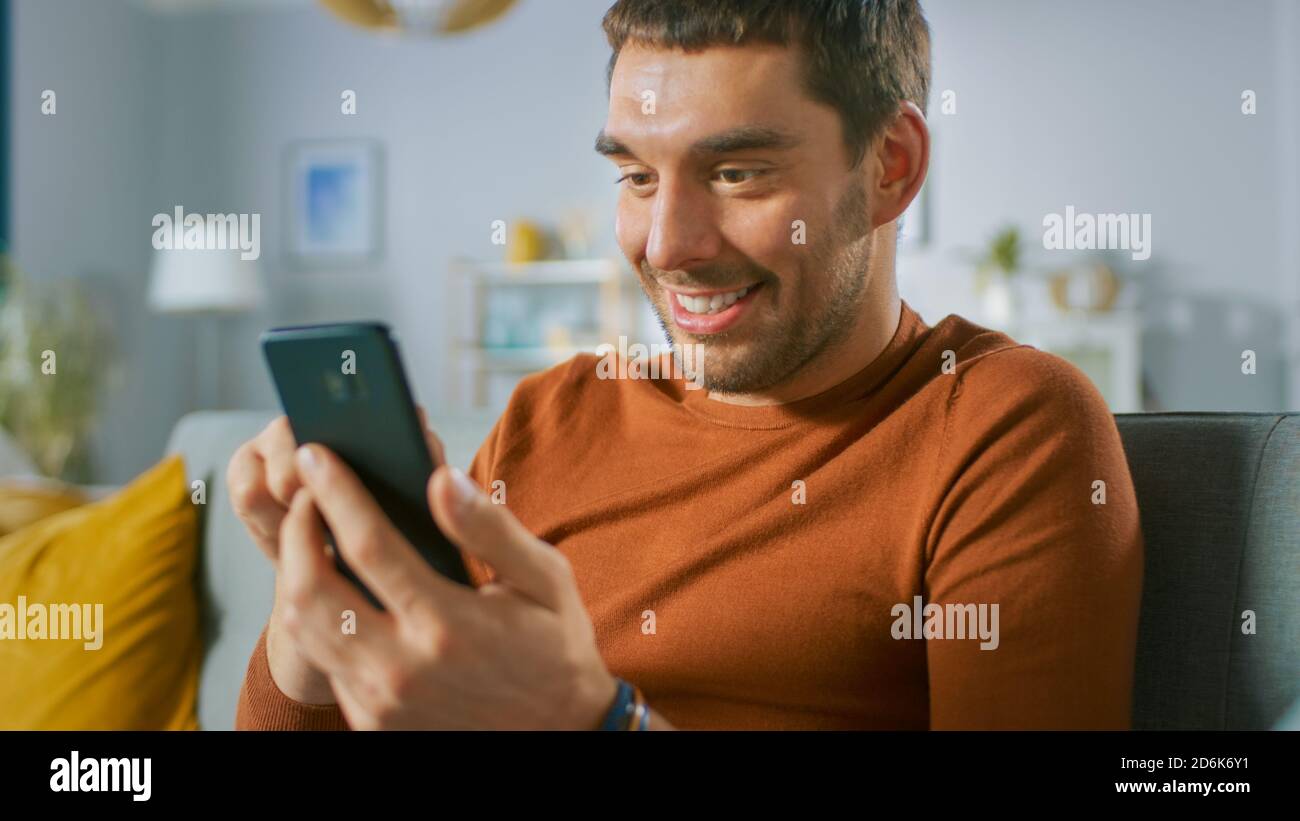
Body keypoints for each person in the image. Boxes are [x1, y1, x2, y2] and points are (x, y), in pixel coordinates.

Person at [230, 0, 1143, 730]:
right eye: (635, 176)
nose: (668, 246)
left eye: (738, 172)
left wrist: (595, 720)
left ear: (890, 167)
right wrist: (317, 604)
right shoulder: (553, 414)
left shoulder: (1005, 426)